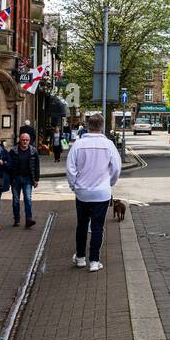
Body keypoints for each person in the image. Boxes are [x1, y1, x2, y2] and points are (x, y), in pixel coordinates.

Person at [66, 114, 121, 272]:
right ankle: (95, 261)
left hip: (82, 192)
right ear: (102, 126)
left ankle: (81, 258)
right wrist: (109, 183)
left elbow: (70, 168)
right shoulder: (109, 145)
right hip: (101, 193)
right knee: (97, 227)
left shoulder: (78, 144)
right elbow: (116, 168)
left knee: (82, 225)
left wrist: (74, 186)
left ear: (88, 126)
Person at [8, 132, 41, 228]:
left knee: (27, 199)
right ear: (20, 140)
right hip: (16, 179)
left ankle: (28, 219)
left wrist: (36, 179)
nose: (25, 142)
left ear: (29, 141)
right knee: (16, 200)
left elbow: (37, 166)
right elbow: (10, 165)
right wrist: (10, 179)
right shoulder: (13, 151)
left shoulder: (33, 151)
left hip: (28, 179)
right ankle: (17, 219)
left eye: (27, 140)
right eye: (23, 140)